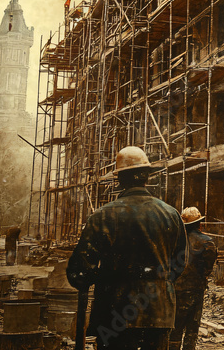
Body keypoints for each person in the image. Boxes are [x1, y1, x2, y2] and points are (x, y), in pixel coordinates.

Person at [67, 146, 187, 350]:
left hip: (114, 312)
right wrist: (157, 283)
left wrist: (103, 278)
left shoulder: (102, 216)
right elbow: (180, 262)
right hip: (158, 312)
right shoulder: (171, 214)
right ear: (147, 177)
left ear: (120, 179)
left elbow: (79, 271)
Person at [170, 207, 218, 350]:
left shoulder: (174, 241)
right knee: (192, 327)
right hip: (196, 289)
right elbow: (208, 267)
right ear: (199, 224)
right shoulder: (207, 242)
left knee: (175, 327)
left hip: (176, 289)